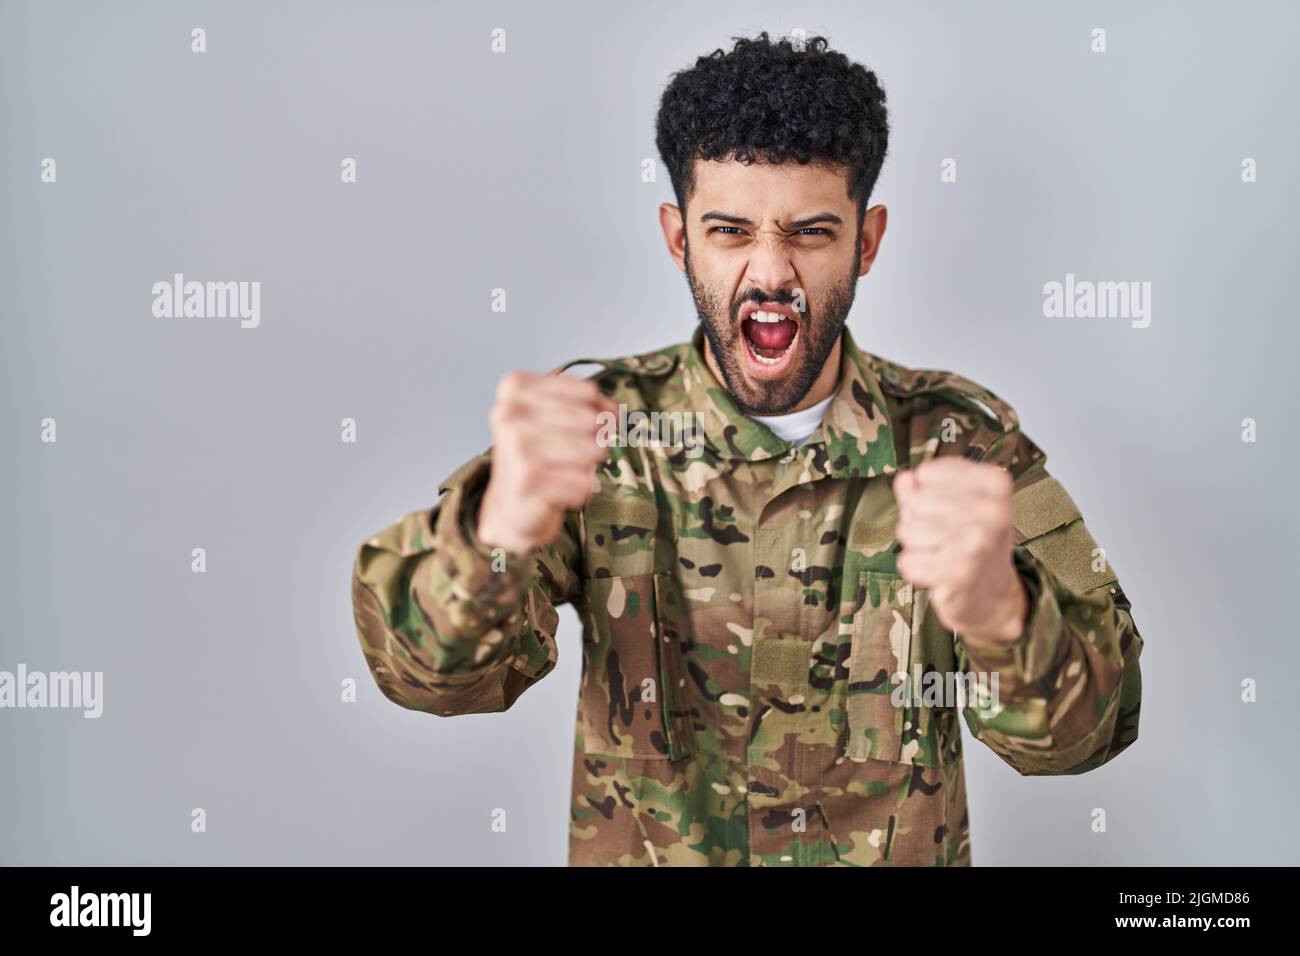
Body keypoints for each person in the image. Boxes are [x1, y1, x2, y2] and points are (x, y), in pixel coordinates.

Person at [350, 32, 1143, 866]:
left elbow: (1091, 735)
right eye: (729, 230)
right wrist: (493, 530)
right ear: (677, 237)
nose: (770, 271)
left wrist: (1002, 615)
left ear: (866, 243)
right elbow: (427, 680)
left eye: (810, 232)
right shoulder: (597, 434)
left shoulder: (961, 443)